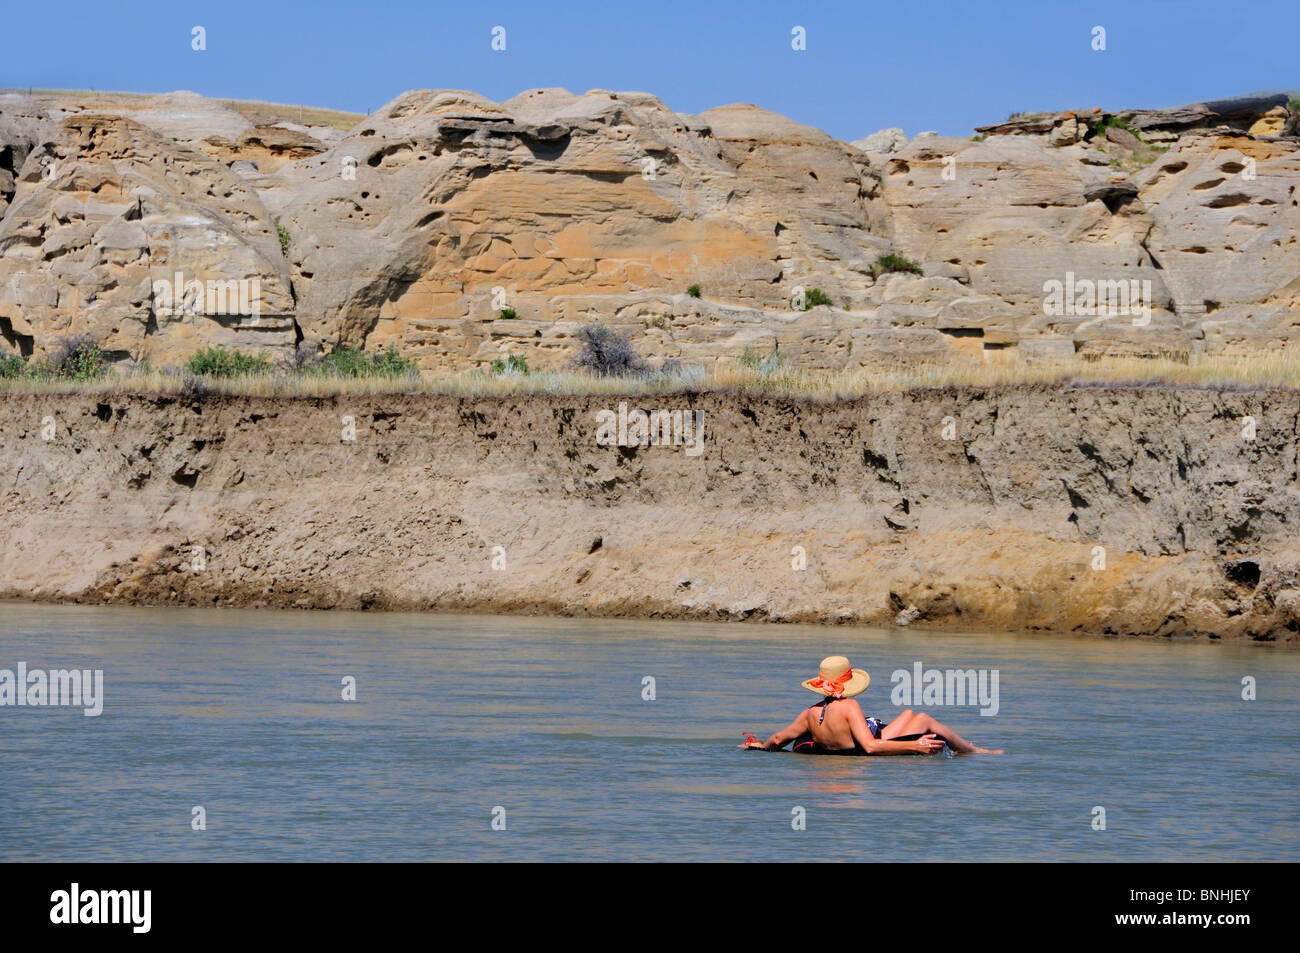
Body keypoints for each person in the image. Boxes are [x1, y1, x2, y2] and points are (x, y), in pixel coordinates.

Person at [744, 655, 1003, 755]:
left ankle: (967, 747)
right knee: (923, 718)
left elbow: (779, 738)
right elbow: (869, 747)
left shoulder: (810, 713)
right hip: (860, 748)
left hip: (849, 744)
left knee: (910, 713)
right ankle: (974, 751)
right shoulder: (849, 706)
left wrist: (760, 745)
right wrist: (916, 744)